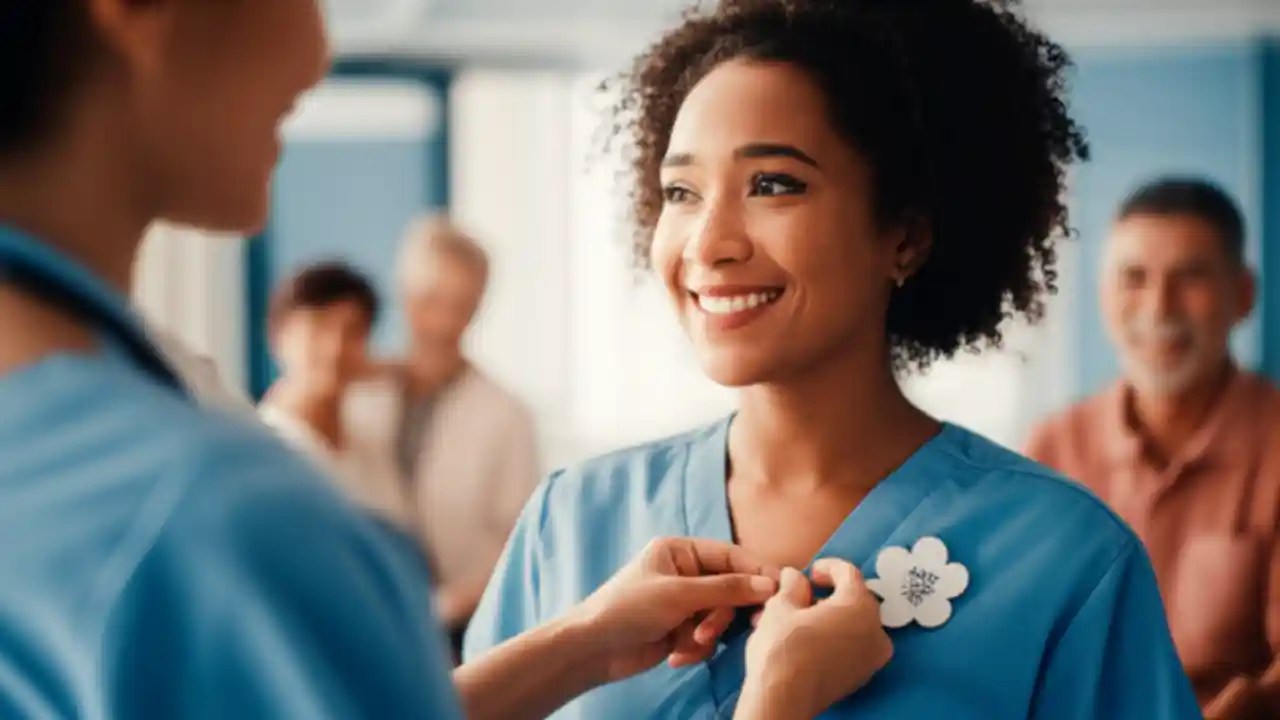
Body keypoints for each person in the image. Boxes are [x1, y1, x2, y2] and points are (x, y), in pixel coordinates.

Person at [0, 0, 898, 718]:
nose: (318, 49)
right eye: (678, 191)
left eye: (775, 184)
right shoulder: (217, 525)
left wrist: (580, 641)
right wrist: (775, 704)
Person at [466, 0, 1200, 718]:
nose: (709, 241)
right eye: (681, 191)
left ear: (904, 237)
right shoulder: (569, 523)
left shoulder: (1065, 563)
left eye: (773, 185)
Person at [1026, 178, 1280, 719]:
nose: (1159, 306)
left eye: (1190, 277)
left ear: (1244, 296)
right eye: (1134, 278)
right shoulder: (1054, 445)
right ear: (1103, 298)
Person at [343, 215, 540, 652]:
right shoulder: (355, 394)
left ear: (477, 307)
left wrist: (446, 607)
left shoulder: (506, 416)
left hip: (461, 630)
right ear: (404, 294)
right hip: (363, 614)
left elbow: (520, 544)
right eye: (428, 299)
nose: (440, 322)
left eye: (459, 304)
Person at [259, 261, 380, 472]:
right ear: (278, 336)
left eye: (352, 331)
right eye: (319, 327)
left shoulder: (372, 452)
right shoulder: (263, 453)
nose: (335, 348)